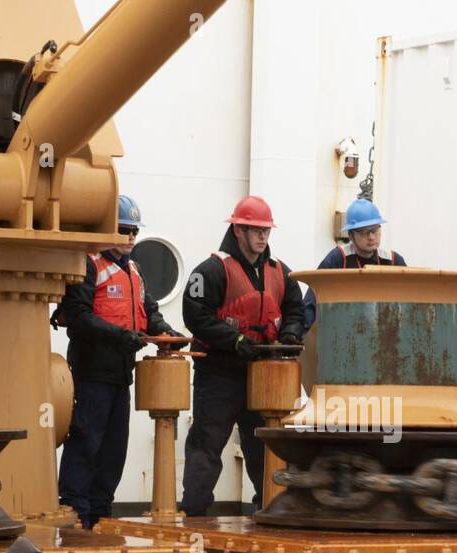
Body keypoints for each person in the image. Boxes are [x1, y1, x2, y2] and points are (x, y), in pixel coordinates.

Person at [56, 195, 183, 529]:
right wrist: (120, 336)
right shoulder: (89, 266)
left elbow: (148, 310)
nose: (130, 238)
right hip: (91, 372)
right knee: (86, 440)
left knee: (113, 449)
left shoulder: (133, 271)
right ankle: (75, 513)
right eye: (124, 230)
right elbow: (79, 315)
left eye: (134, 232)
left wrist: (166, 331)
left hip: (120, 374)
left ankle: (100, 514)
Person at [180, 196, 305, 516]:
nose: (263, 237)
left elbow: (294, 308)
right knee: (207, 446)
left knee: (264, 448)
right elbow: (196, 315)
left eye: (266, 231)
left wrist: (290, 333)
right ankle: (194, 514)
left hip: (261, 375)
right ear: (238, 230)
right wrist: (233, 340)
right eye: (255, 230)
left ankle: (270, 509)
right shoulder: (210, 271)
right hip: (219, 374)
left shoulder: (280, 273)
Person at [302, 198, 408, 328]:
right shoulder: (337, 259)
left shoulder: (393, 261)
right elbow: (313, 298)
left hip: (386, 332)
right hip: (346, 331)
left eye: (375, 230)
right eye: (364, 232)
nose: (371, 237)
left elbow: (409, 300)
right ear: (351, 235)